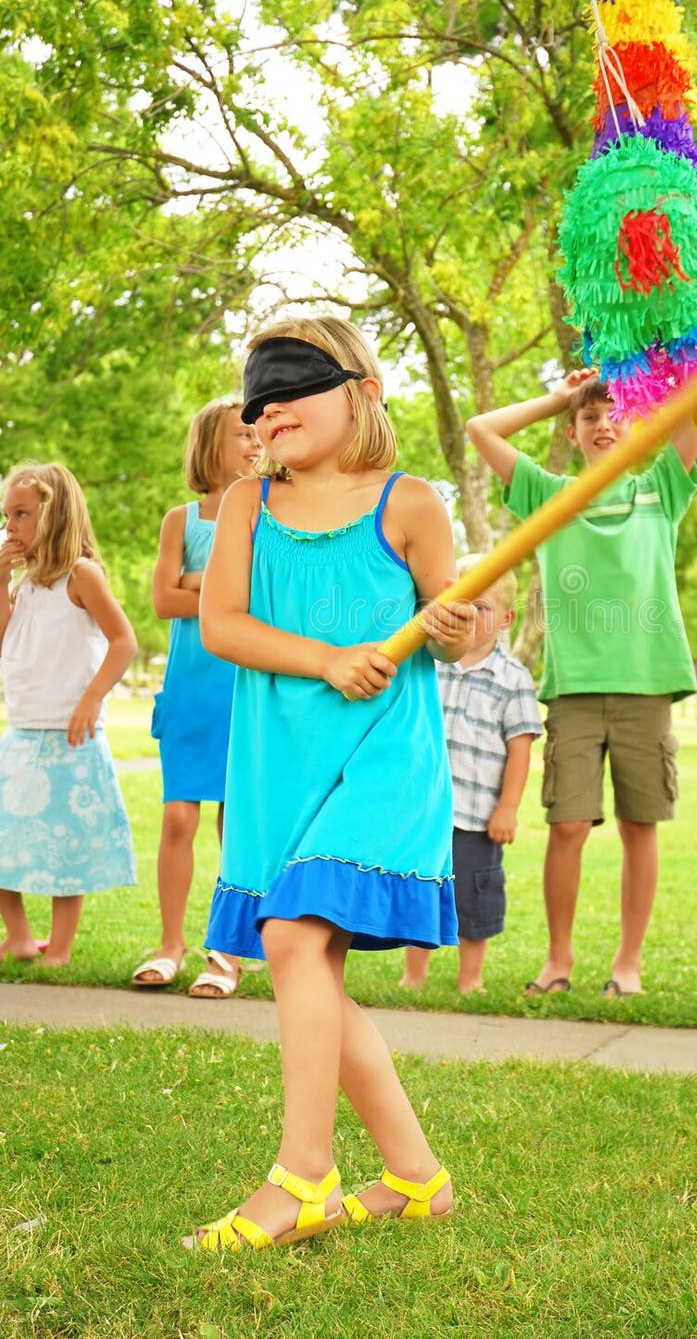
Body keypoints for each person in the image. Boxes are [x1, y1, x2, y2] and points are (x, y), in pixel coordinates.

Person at [185, 317, 477, 1251]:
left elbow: (463, 626)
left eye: (290, 393)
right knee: (301, 957)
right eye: (256, 404)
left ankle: (303, 1177)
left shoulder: (411, 503)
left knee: (293, 936)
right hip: (281, 766)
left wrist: (461, 624)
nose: (269, 415)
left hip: (384, 760)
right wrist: (327, 658)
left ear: (361, 390)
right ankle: (416, 1176)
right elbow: (223, 625)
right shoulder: (245, 505)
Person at [466, 368, 697, 999]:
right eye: (590, 418)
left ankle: (628, 963)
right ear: (571, 433)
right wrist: (560, 396)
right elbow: (479, 428)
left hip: (646, 686)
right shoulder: (550, 495)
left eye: (618, 412)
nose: (605, 425)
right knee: (568, 826)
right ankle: (558, 960)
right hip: (572, 689)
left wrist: (649, 378)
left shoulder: (662, 489)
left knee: (639, 826)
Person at [131, 396, 260, 997]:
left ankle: (227, 953)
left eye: (260, 434)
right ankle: (170, 944)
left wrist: (195, 582)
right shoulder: (180, 520)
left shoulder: (270, 512)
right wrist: (217, 585)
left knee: (236, 824)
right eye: (244, 434)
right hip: (190, 692)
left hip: (248, 689)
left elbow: (263, 598)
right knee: (180, 816)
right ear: (210, 444)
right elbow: (163, 602)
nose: (257, 442)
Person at [0, 462, 137, 966]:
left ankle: (59, 948)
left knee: (66, 847)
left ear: (54, 518)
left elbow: (124, 642)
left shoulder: (81, 576)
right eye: (6, 515)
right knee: (2, 839)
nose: (9, 526)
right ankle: (17, 936)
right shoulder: (25, 584)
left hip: (71, 737)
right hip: (22, 733)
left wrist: (92, 697)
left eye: (21, 514)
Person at [400, 558, 542, 994]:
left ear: (506, 618)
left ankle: (471, 978)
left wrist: (509, 809)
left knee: (474, 897)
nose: (469, 616)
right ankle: (414, 974)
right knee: (418, 889)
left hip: (478, 814)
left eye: (481, 608)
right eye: (461, 604)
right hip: (424, 805)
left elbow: (520, 746)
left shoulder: (513, 678)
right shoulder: (430, 664)